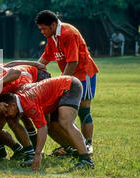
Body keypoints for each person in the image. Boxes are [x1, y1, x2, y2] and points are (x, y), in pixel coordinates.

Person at [0, 76, 95, 171]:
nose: (6, 115)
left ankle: (86, 159)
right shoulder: (20, 97)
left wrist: (37, 155)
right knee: (51, 127)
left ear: (13, 105)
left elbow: (42, 128)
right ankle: (72, 150)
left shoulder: (28, 104)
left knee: (66, 122)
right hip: (59, 91)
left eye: (6, 112)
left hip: (69, 85)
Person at [35, 10, 98, 155]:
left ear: (53, 25)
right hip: (69, 77)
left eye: (44, 28)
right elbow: (43, 61)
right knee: (63, 113)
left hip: (84, 73)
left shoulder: (68, 33)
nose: (42, 32)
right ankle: (71, 145)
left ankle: (87, 145)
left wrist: (60, 84)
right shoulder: (52, 38)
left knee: (83, 110)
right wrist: (29, 71)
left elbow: (73, 62)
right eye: (40, 29)